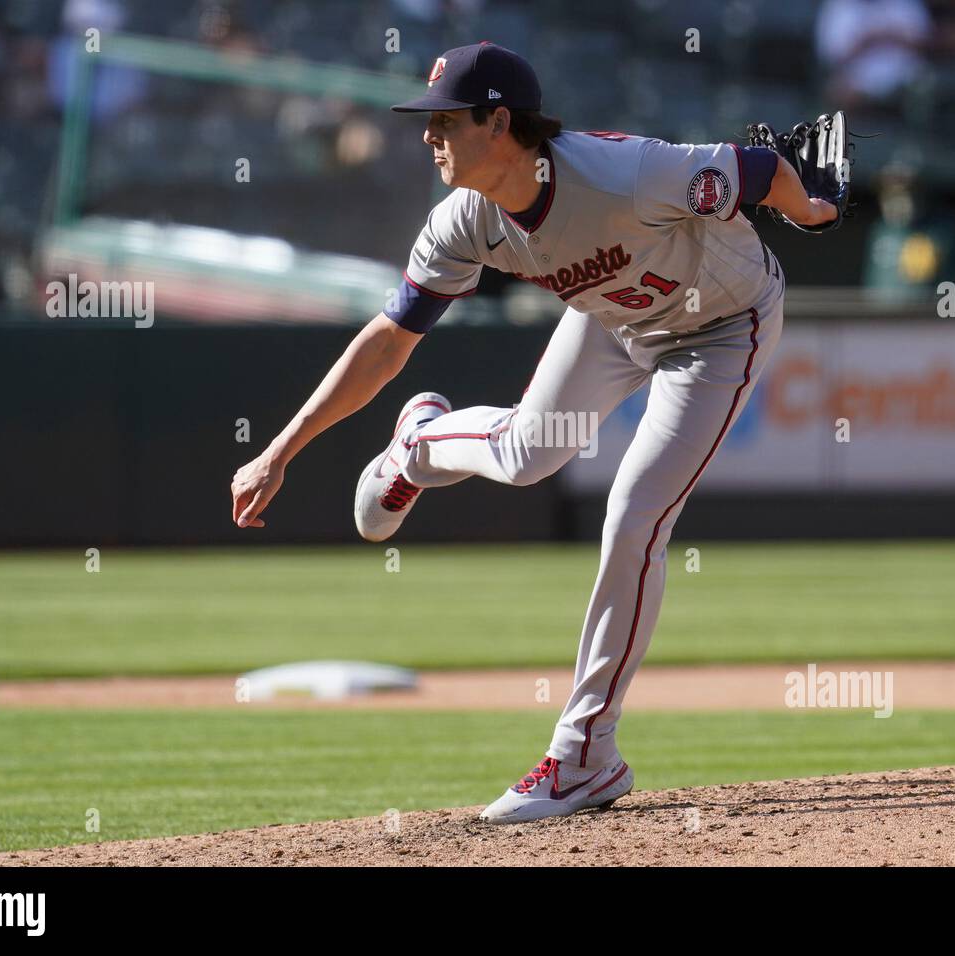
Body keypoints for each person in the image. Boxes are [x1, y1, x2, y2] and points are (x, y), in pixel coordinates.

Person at [230, 42, 837, 823]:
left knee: (636, 515)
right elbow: (387, 341)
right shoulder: (462, 221)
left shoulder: (622, 174)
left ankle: (585, 754)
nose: (428, 136)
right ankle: (420, 443)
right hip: (614, 320)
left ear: (499, 121)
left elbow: (752, 168)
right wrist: (281, 451)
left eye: (446, 119)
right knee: (523, 458)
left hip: (721, 329)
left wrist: (807, 207)